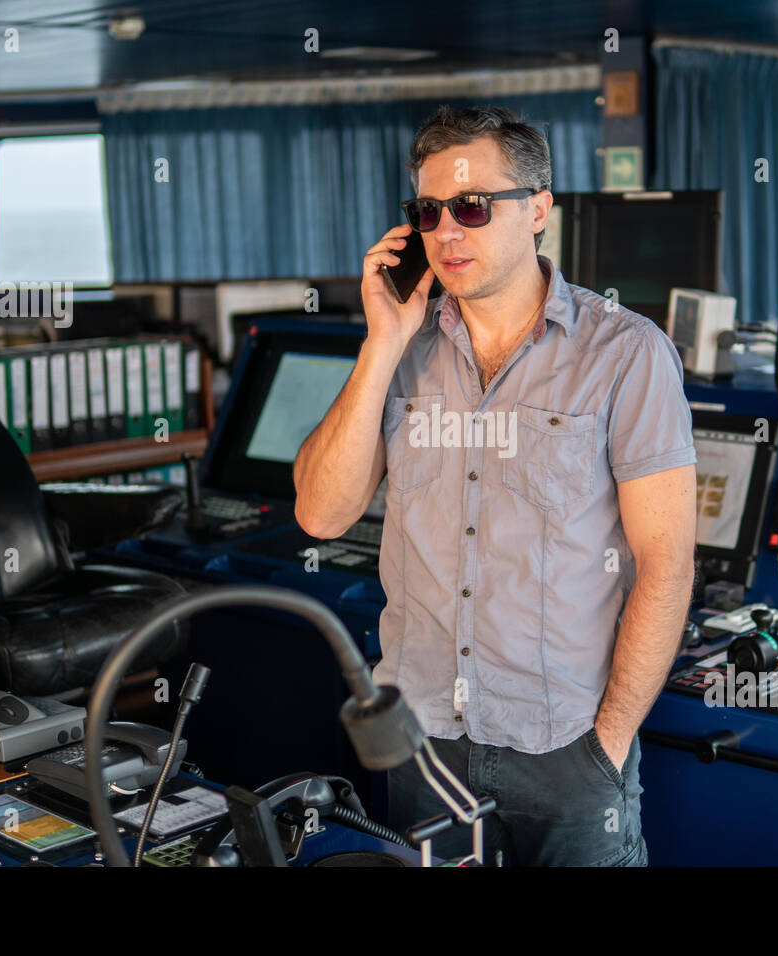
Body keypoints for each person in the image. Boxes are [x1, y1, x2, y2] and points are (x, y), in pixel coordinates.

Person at [293, 105, 696, 865]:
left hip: (568, 749)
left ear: (538, 210)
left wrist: (607, 743)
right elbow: (318, 513)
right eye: (427, 211)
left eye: (473, 206)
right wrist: (381, 342)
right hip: (424, 745)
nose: (447, 231)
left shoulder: (626, 354)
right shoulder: (403, 352)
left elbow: (666, 565)